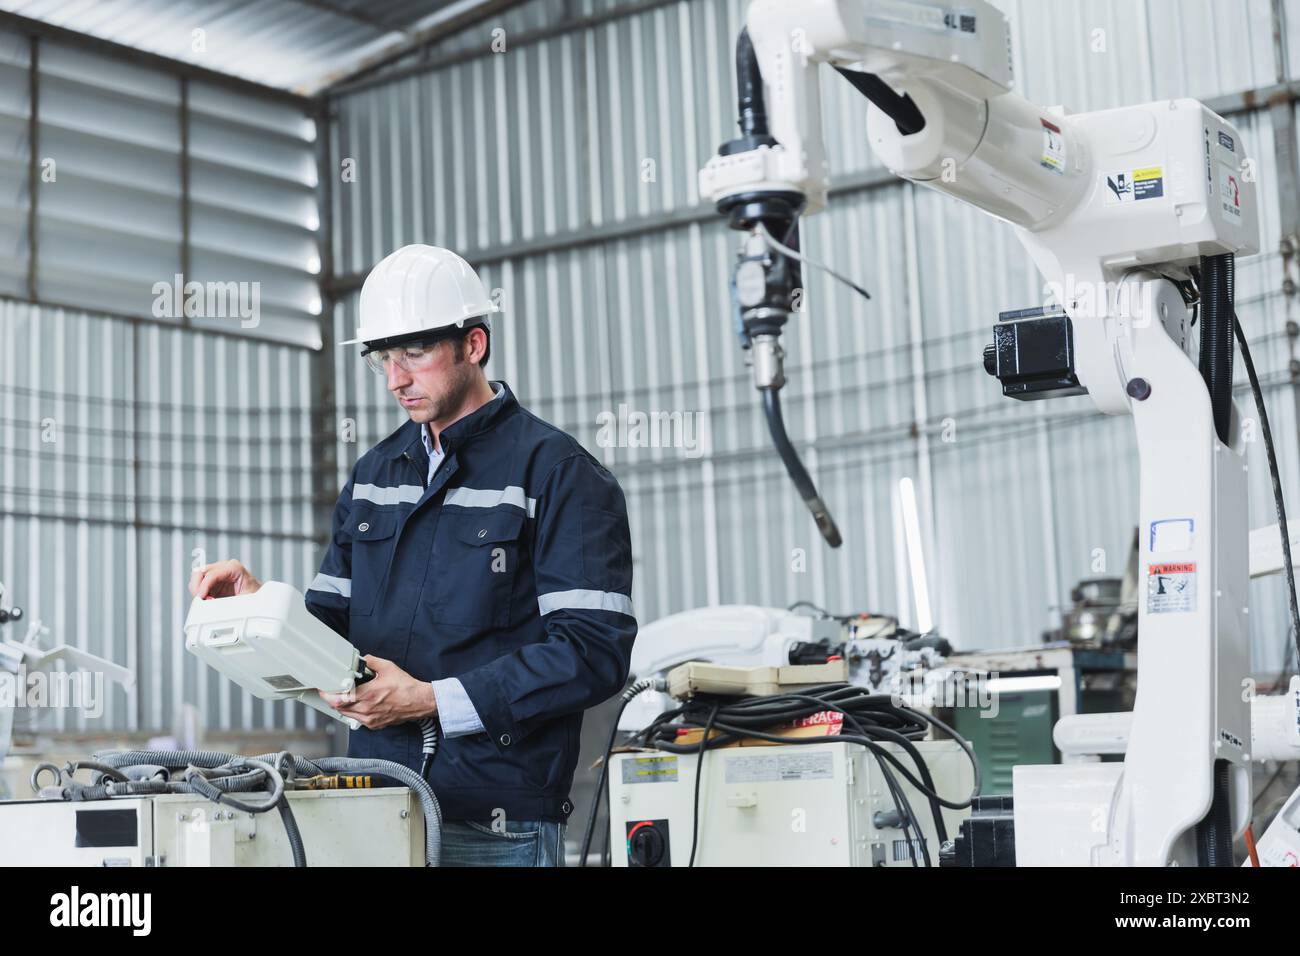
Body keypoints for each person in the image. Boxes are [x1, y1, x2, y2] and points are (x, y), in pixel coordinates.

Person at [189, 244, 637, 866]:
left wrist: (430, 699)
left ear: (473, 345)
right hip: (373, 804)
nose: (396, 379)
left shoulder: (559, 474)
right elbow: (331, 628)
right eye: (383, 359)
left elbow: (593, 653)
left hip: (494, 828)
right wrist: (262, 605)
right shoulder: (376, 473)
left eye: (416, 353)